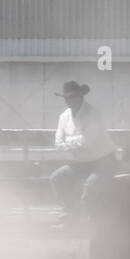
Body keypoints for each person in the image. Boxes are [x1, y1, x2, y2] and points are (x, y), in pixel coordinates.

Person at [49, 81, 116, 224]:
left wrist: (69, 142)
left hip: (104, 161)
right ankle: (70, 211)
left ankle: (92, 222)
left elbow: (87, 142)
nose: (68, 100)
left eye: (72, 97)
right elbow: (58, 143)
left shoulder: (93, 113)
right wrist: (77, 141)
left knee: (91, 187)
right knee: (57, 177)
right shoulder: (64, 117)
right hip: (83, 163)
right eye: (66, 97)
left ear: (81, 96)